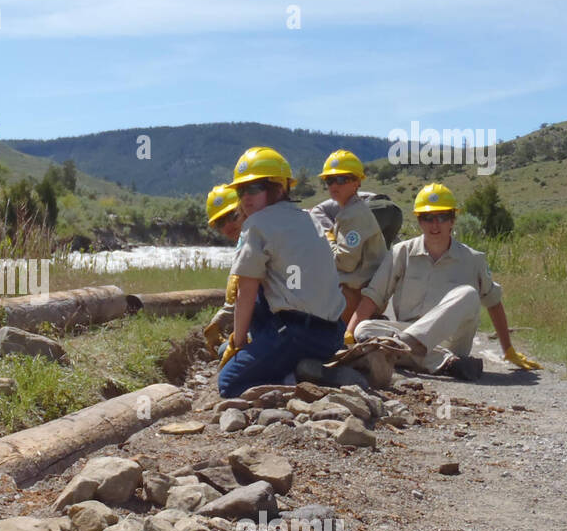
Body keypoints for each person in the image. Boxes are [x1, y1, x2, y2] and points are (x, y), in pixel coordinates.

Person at [348, 182, 541, 380]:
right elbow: (373, 297)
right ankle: (445, 363)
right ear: (419, 221)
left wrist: (508, 349)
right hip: (408, 330)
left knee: (468, 293)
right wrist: (349, 333)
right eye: (428, 218)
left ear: (453, 220)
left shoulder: (473, 259)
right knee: (364, 328)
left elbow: (493, 303)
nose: (435, 224)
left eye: (442, 217)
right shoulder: (401, 253)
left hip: (451, 341)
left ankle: (396, 352)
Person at [216, 147, 347, 398]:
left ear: (278, 187)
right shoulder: (310, 218)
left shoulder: (256, 224)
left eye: (255, 188)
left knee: (229, 383)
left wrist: (238, 343)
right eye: (242, 190)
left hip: (297, 334)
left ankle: (294, 380)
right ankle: (301, 366)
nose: (246, 197)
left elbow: (247, 291)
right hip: (333, 335)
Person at [309, 150, 388, 322]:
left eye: (342, 179)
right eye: (330, 180)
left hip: (356, 297)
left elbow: (344, 262)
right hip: (357, 294)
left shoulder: (354, 215)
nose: (334, 186)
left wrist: (328, 239)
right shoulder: (351, 211)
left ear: (357, 182)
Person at [203, 184, 243, 353]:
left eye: (232, 216)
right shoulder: (244, 244)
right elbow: (236, 298)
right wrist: (217, 322)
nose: (228, 226)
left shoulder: (261, 241)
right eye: (220, 222)